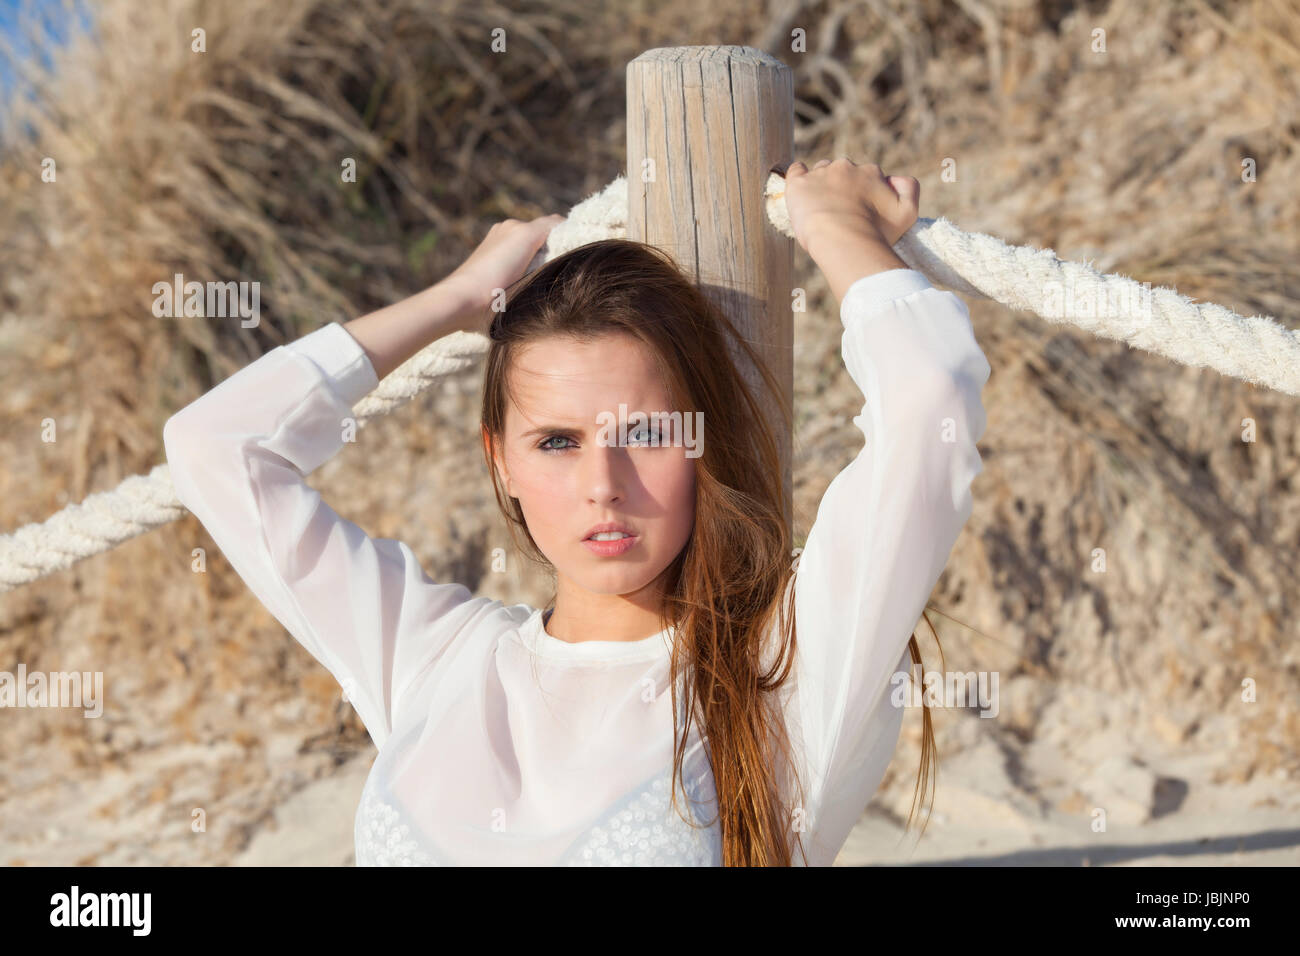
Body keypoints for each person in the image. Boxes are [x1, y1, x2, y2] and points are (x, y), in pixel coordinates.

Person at [162, 158, 991, 866]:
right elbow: (216, 447)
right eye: (557, 442)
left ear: (701, 440)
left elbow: (931, 410)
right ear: (502, 462)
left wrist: (840, 229)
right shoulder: (433, 657)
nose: (605, 482)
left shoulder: (784, 667)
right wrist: (454, 300)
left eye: (646, 434)